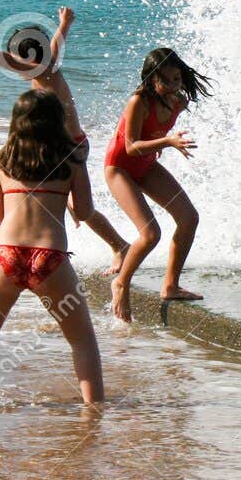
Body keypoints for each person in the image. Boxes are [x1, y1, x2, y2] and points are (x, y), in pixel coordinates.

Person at [0, 6, 130, 273]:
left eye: (19, 59)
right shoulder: (48, 68)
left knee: (76, 208)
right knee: (64, 204)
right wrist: (64, 24)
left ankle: (114, 247)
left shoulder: (44, 71)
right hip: (63, 147)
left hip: (70, 148)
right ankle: (81, 248)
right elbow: (52, 48)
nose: (16, 67)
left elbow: (8, 60)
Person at [0, 89, 104, 404]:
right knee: (81, 339)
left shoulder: (3, 161)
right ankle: (94, 407)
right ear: (57, 121)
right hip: (49, 257)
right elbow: (84, 212)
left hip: (6, 254)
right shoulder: (72, 158)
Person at [103, 47, 207, 322]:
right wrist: (168, 142)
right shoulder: (138, 101)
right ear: (151, 79)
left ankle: (170, 286)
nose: (173, 86)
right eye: (166, 80)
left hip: (146, 166)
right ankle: (121, 284)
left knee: (189, 218)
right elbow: (131, 146)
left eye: (177, 79)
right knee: (150, 234)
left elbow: (151, 137)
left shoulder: (179, 101)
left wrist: (163, 143)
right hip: (119, 168)